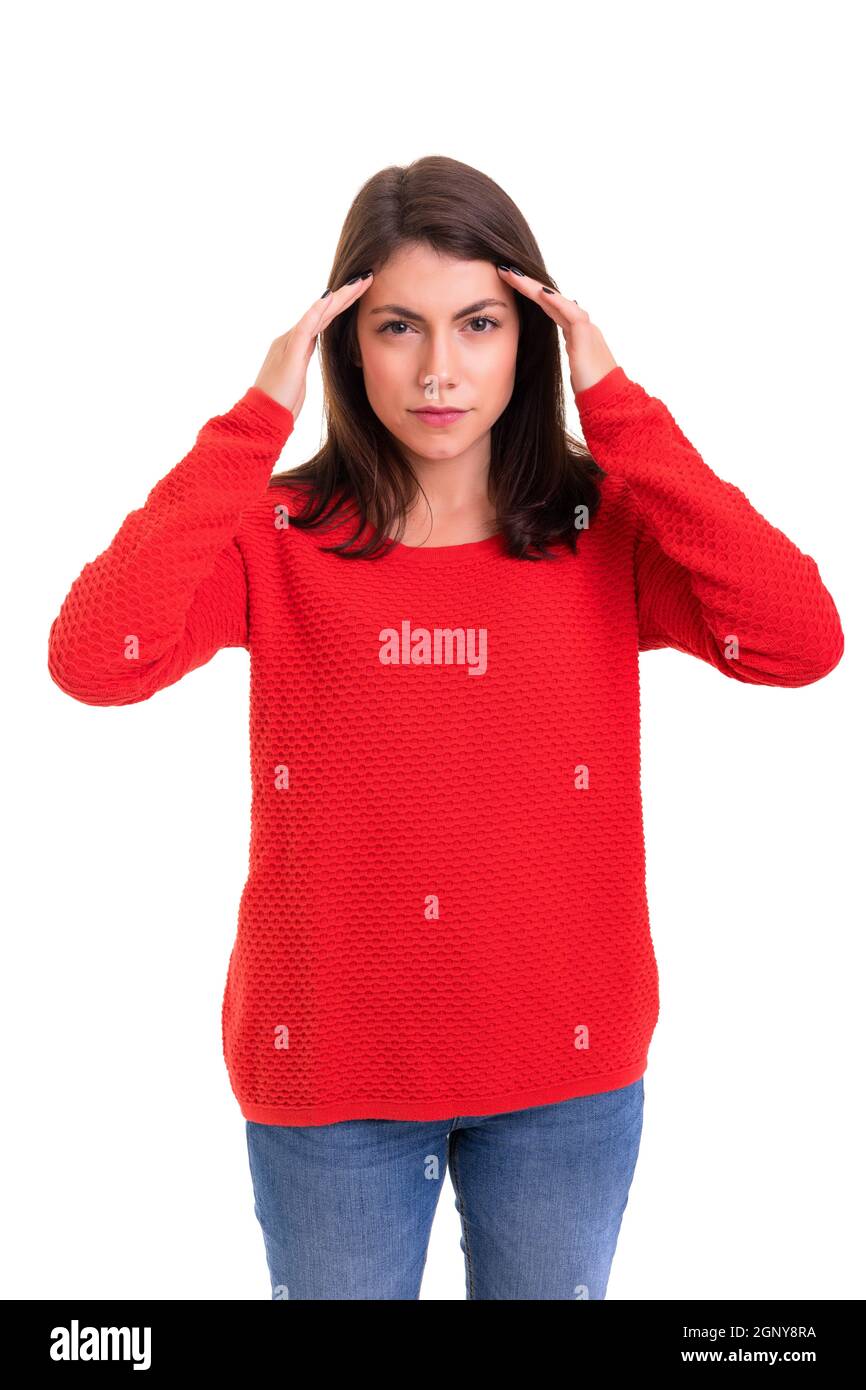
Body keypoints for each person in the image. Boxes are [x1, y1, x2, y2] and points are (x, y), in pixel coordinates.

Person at [47, 155, 844, 1300]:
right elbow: (92, 660)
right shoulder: (274, 532)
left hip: (565, 1070)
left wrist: (616, 407)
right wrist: (253, 419)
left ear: (531, 336)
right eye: (394, 328)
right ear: (343, 344)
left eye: (476, 323)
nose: (436, 370)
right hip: (331, 1075)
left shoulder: (596, 525)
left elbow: (798, 639)